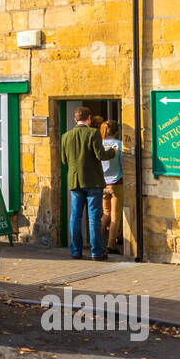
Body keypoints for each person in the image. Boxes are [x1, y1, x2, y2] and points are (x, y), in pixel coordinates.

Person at [60, 106, 108, 260]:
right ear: (89, 118)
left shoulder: (66, 136)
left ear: (75, 119)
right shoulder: (93, 133)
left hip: (75, 181)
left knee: (75, 217)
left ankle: (75, 251)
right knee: (94, 218)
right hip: (93, 182)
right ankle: (97, 252)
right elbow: (100, 155)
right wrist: (113, 151)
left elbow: (64, 160)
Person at [99, 120, 123, 255]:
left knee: (106, 213)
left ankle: (97, 241)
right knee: (115, 215)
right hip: (116, 183)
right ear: (116, 132)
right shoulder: (118, 144)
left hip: (102, 184)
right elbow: (123, 165)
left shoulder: (99, 144)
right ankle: (111, 244)